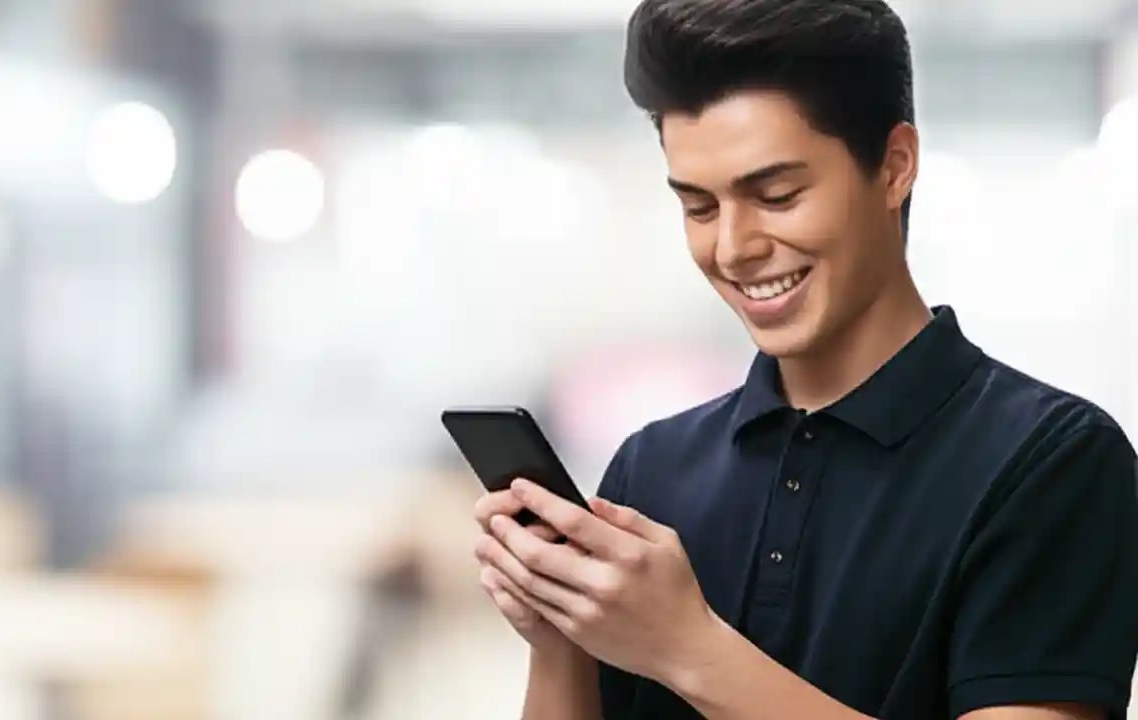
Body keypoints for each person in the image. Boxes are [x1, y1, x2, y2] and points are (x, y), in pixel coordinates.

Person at [471, 1, 1138, 719]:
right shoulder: (651, 466)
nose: (733, 248)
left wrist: (687, 647)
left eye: (777, 195)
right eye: (699, 208)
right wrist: (559, 638)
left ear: (894, 166)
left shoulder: (1053, 465)